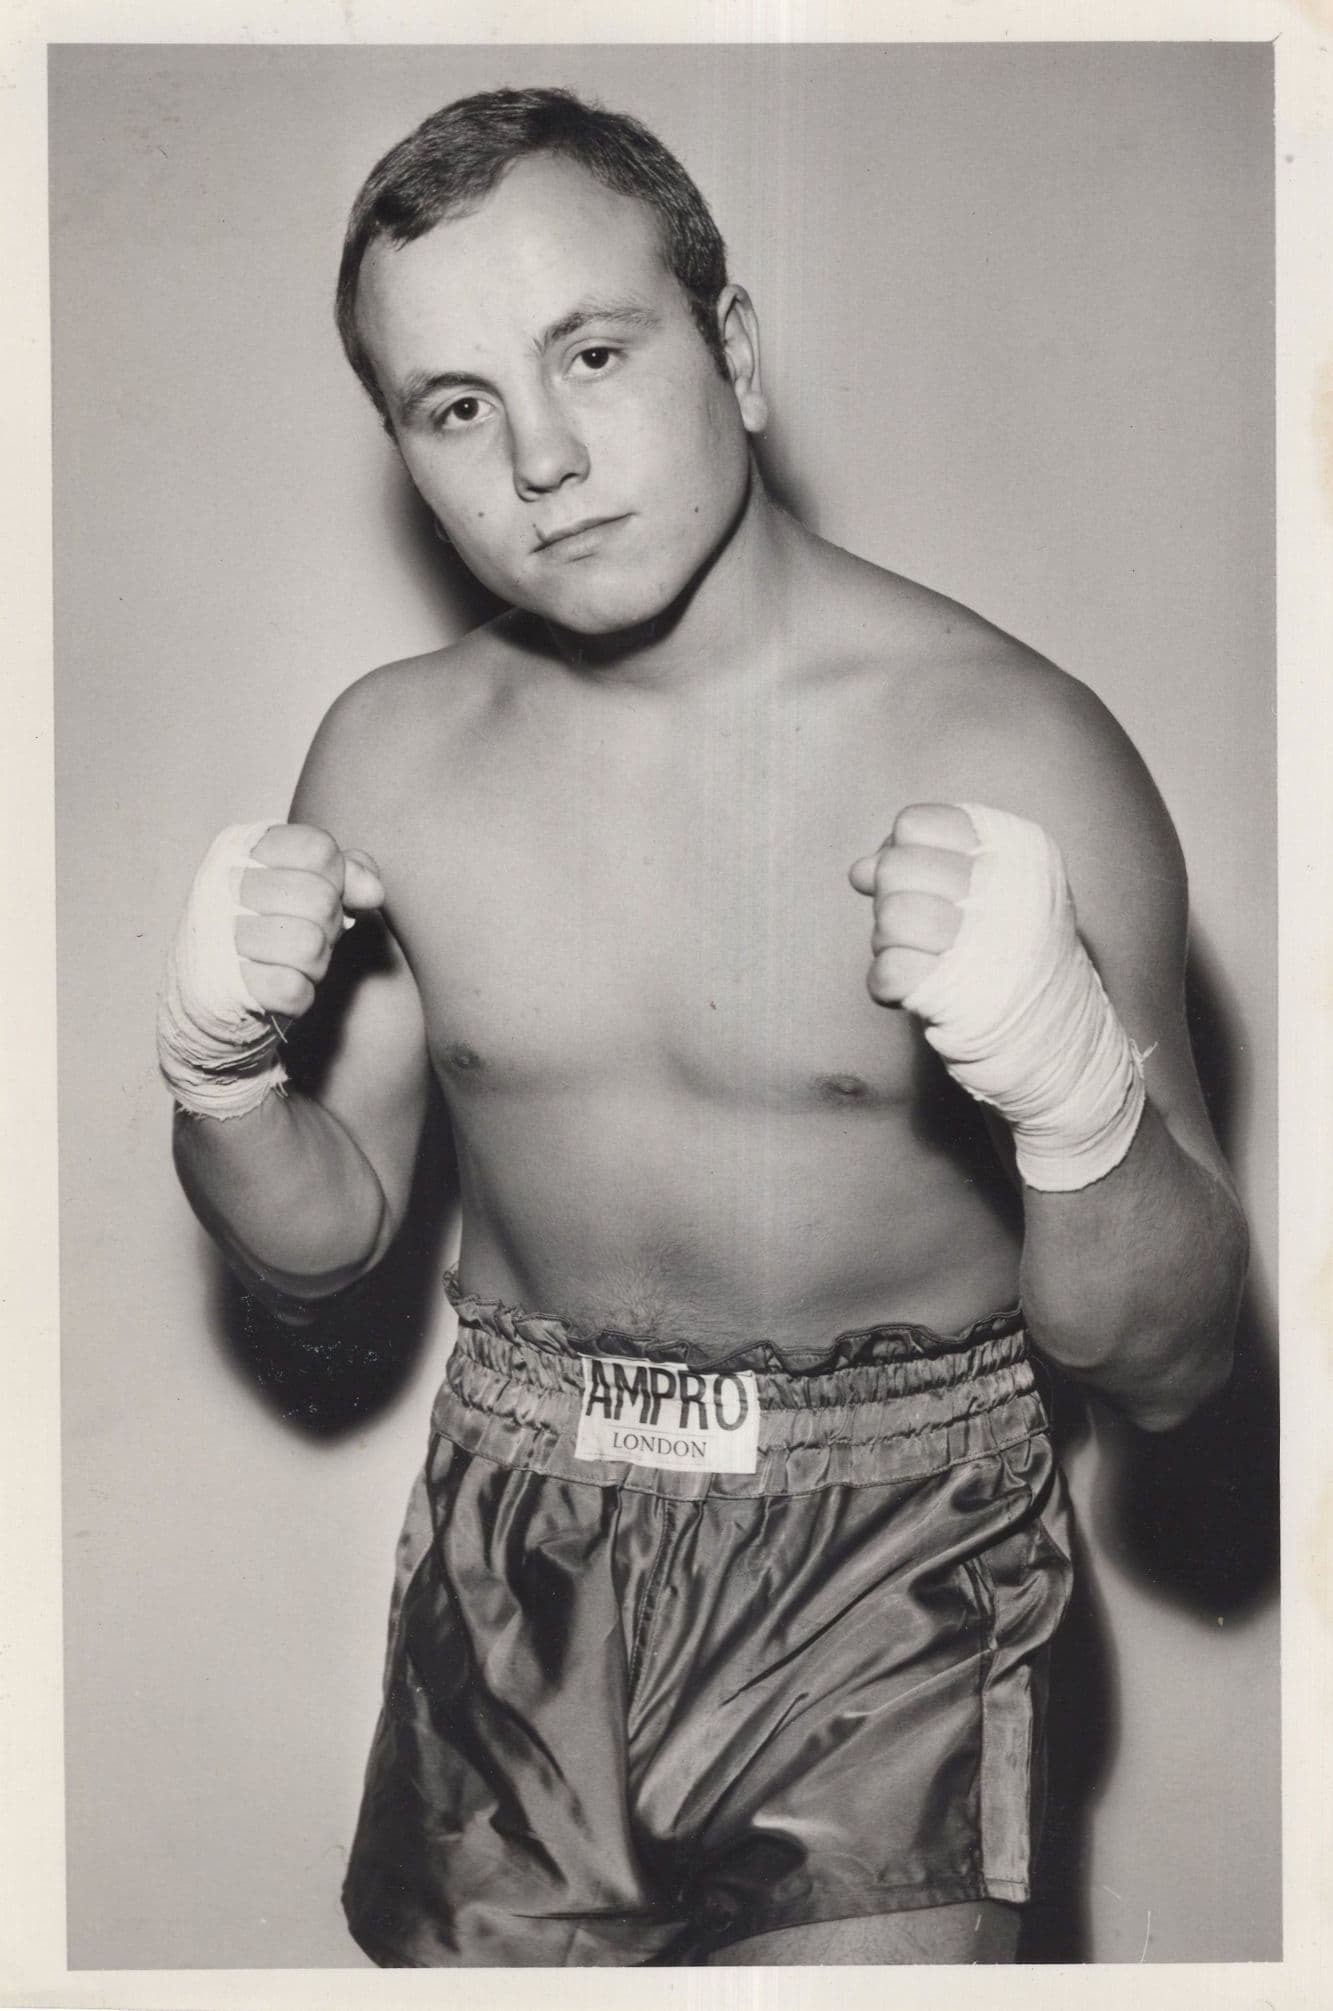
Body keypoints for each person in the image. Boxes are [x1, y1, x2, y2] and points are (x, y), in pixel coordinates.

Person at [157, 87, 1248, 1968]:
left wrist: (1074, 1097)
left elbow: (1173, 1366)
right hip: (515, 1525)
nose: (545, 459)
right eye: (458, 406)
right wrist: (216, 1077)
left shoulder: (1014, 748)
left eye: (592, 351)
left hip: (882, 1565)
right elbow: (324, 1242)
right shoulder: (388, 753)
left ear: (730, 351)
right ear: (404, 450)